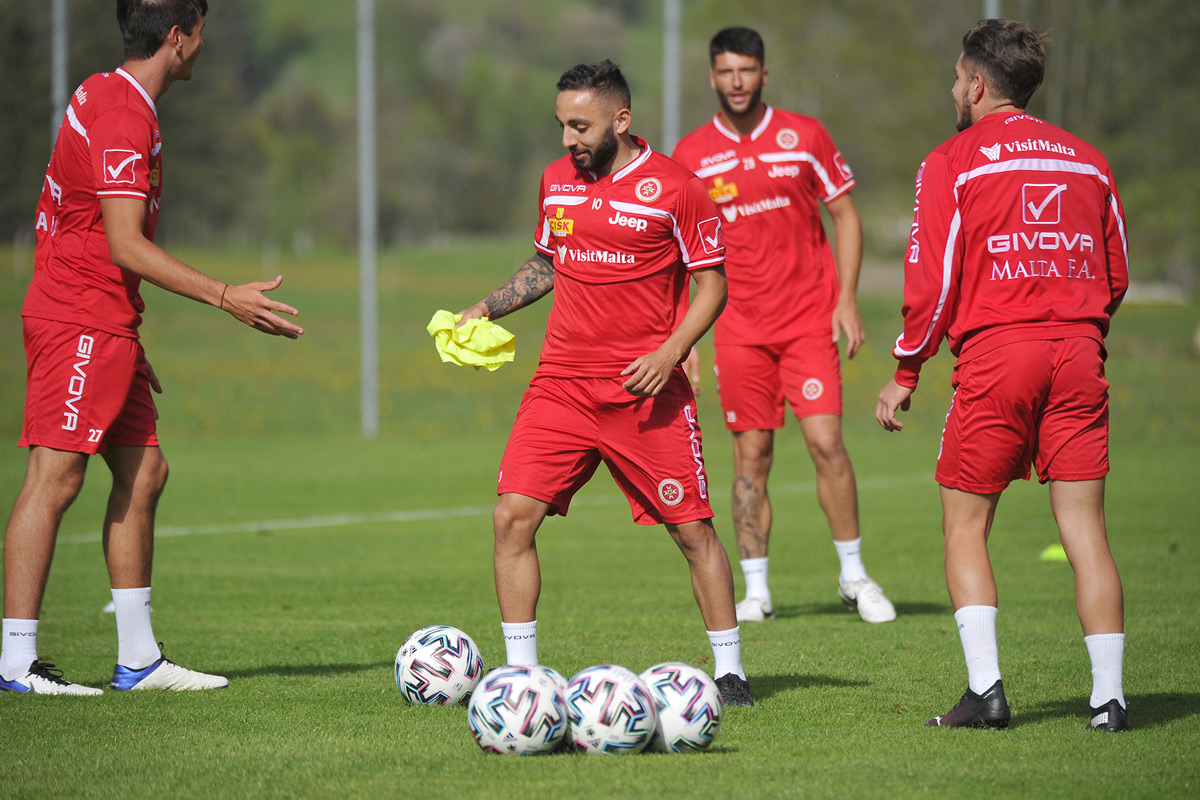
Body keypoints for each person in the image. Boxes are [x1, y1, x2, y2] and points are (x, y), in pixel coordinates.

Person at [1, 0, 304, 696]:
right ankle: (15, 663)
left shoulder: (113, 95)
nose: (204, 44)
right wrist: (226, 296)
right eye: (201, 31)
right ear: (177, 37)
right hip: (79, 319)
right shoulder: (121, 112)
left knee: (145, 473)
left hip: (106, 322)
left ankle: (138, 661)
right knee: (55, 477)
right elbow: (124, 243)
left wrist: (124, 340)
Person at [454, 60, 753, 706]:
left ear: (621, 119)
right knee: (511, 518)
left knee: (692, 531)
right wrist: (486, 307)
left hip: (645, 392)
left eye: (581, 126)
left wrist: (672, 352)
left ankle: (730, 673)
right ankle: (522, 677)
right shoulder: (555, 181)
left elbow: (713, 285)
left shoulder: (677, 188)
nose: (569, 140)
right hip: (561, 385)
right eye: (562, 126)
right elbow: (547, 262)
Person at [876, 19, 1129, 731]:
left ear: (978, 84)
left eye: (958, 78)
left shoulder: (952, 159)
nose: (954, 89)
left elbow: (933, 280)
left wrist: (907, 370)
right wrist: (1077, 328)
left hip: (999, 353)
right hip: (1079, 351)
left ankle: (986, 693)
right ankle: (1109, 701)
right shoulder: (1089, 160)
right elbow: (1117, 274)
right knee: (1085, 528)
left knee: (965, 524)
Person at [671, 27, 895, 625]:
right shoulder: (691, 155)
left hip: (807, 322)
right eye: (726, 71)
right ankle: (756, 592)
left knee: (826, 444)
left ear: (764, 74)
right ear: (712, 77)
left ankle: (854, 576)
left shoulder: (805, 136)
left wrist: (846, 299)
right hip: (738, 329)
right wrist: (684, 337)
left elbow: (845, 216)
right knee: (753, 456)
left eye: (746, 70)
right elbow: (679, 252)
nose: (736, 81)